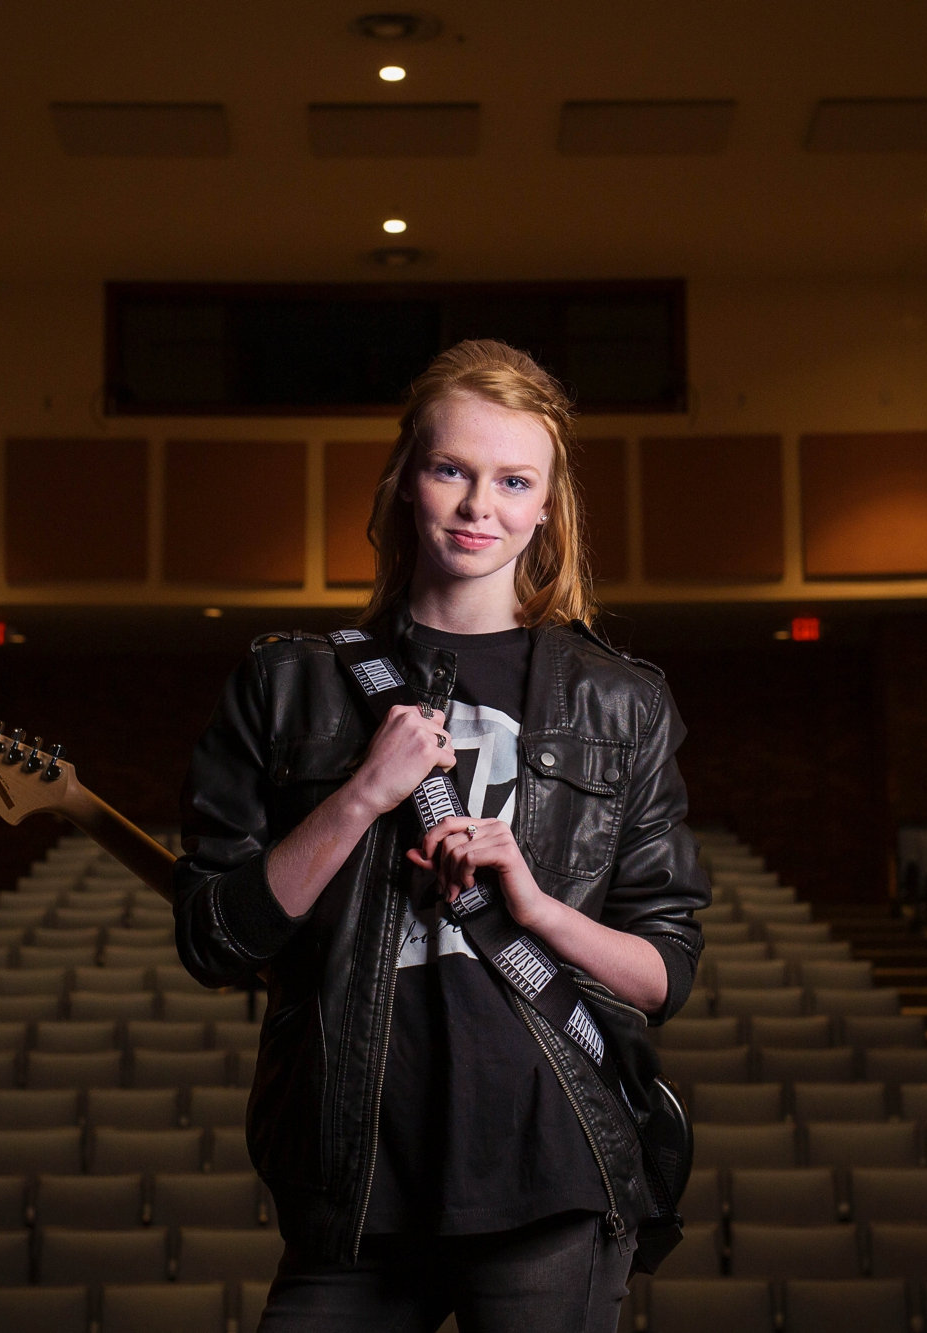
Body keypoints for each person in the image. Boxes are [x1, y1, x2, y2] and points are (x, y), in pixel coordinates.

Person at [172, 338, 708, 1332]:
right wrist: (360, 795)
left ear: (546, 506)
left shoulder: (619, 701)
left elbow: (661, 974)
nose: (478, 508)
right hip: (355, 1178)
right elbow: (213, 937)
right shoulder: (285, 685)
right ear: (403, 482)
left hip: (550, 1175)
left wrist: (535, 903)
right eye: (449, 469)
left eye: (513, 480)